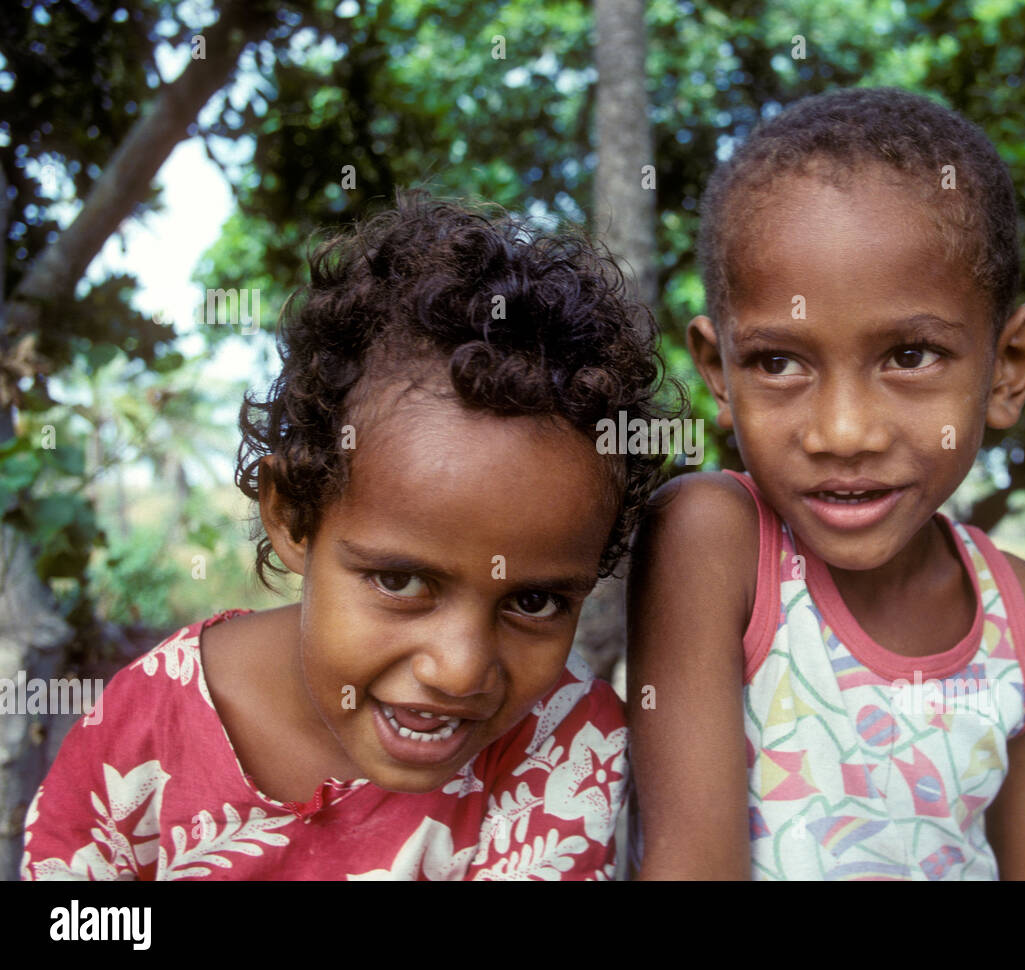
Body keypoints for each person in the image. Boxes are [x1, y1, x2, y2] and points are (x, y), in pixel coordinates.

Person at [23, 192, 674, 880]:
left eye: (536, 602)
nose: (459, 669)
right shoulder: (149, 723)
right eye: (400, 582)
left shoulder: (562, 746)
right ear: (295, 518)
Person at [627, 88, 1025, 880]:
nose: (843, 433)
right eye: (778, 362)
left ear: (1010, 368)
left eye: (910, 356)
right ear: (719, 374)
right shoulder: (714, 542)